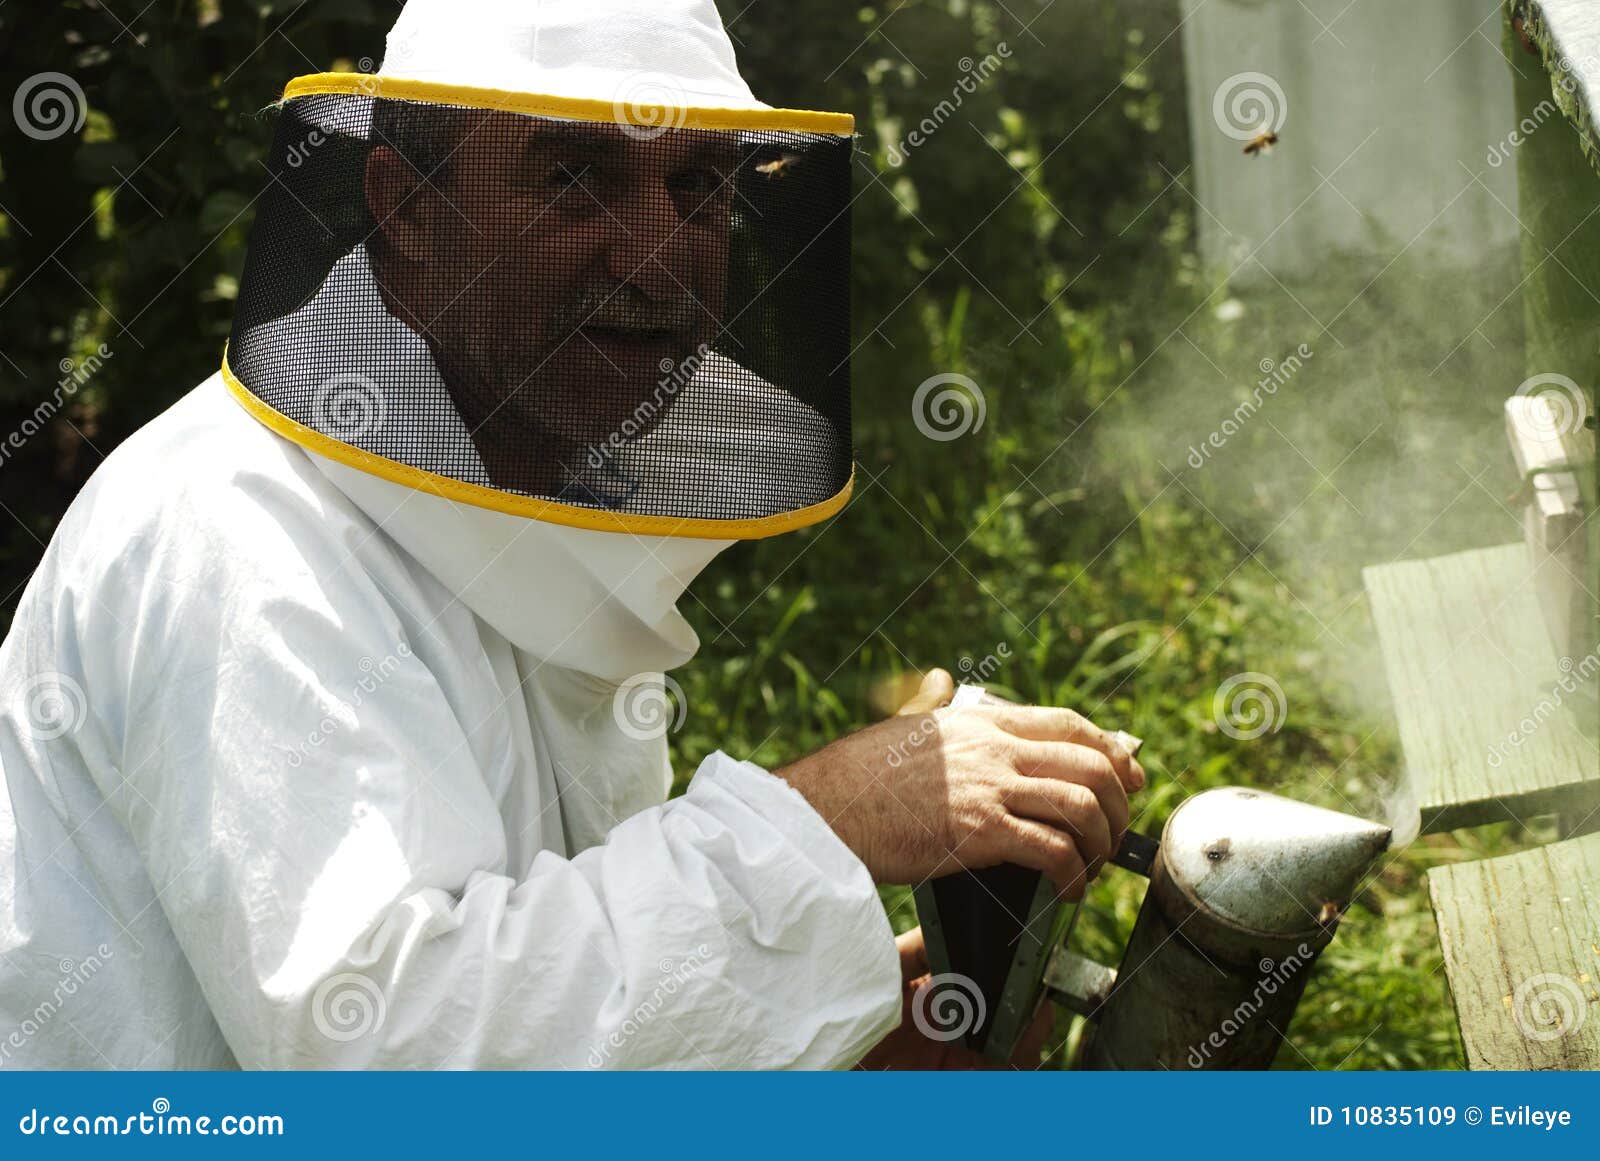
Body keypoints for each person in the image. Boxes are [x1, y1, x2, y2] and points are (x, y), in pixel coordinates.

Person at [0, 0, 1141, 1070]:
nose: (655, 259)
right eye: (573, 180)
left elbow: (541, 948)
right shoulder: (235, 534)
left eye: (697, 186)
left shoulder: (535, 457)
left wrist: (829, 1023)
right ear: (403, 206)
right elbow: (388, 1055)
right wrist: (828, 823)